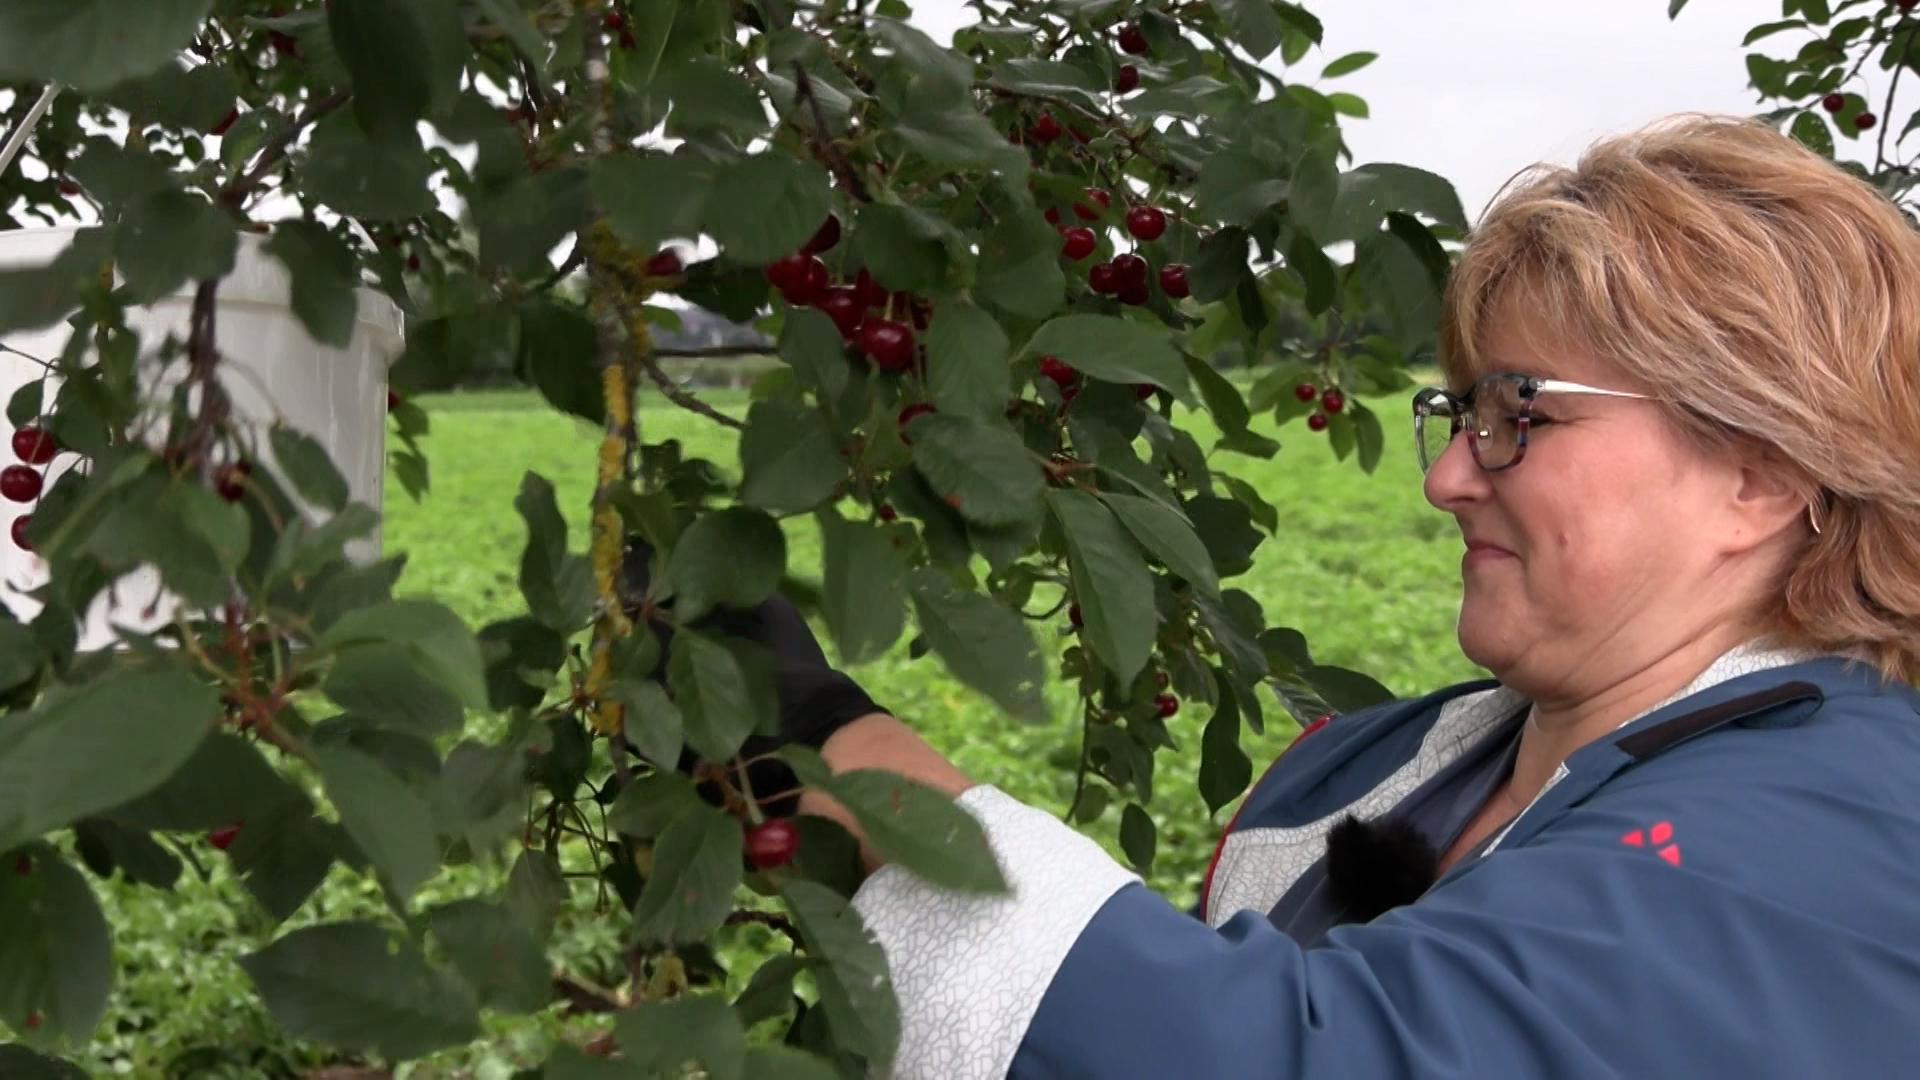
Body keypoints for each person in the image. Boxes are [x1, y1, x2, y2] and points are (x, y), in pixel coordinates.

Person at [631, 114, 1920, 1078]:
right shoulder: (1376, 767)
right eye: (1461, 411)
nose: (1451, 479)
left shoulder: (1835, 839)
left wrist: (824, 737)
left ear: (1759, 475)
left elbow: (1291, 1056)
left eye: (1524, 414)